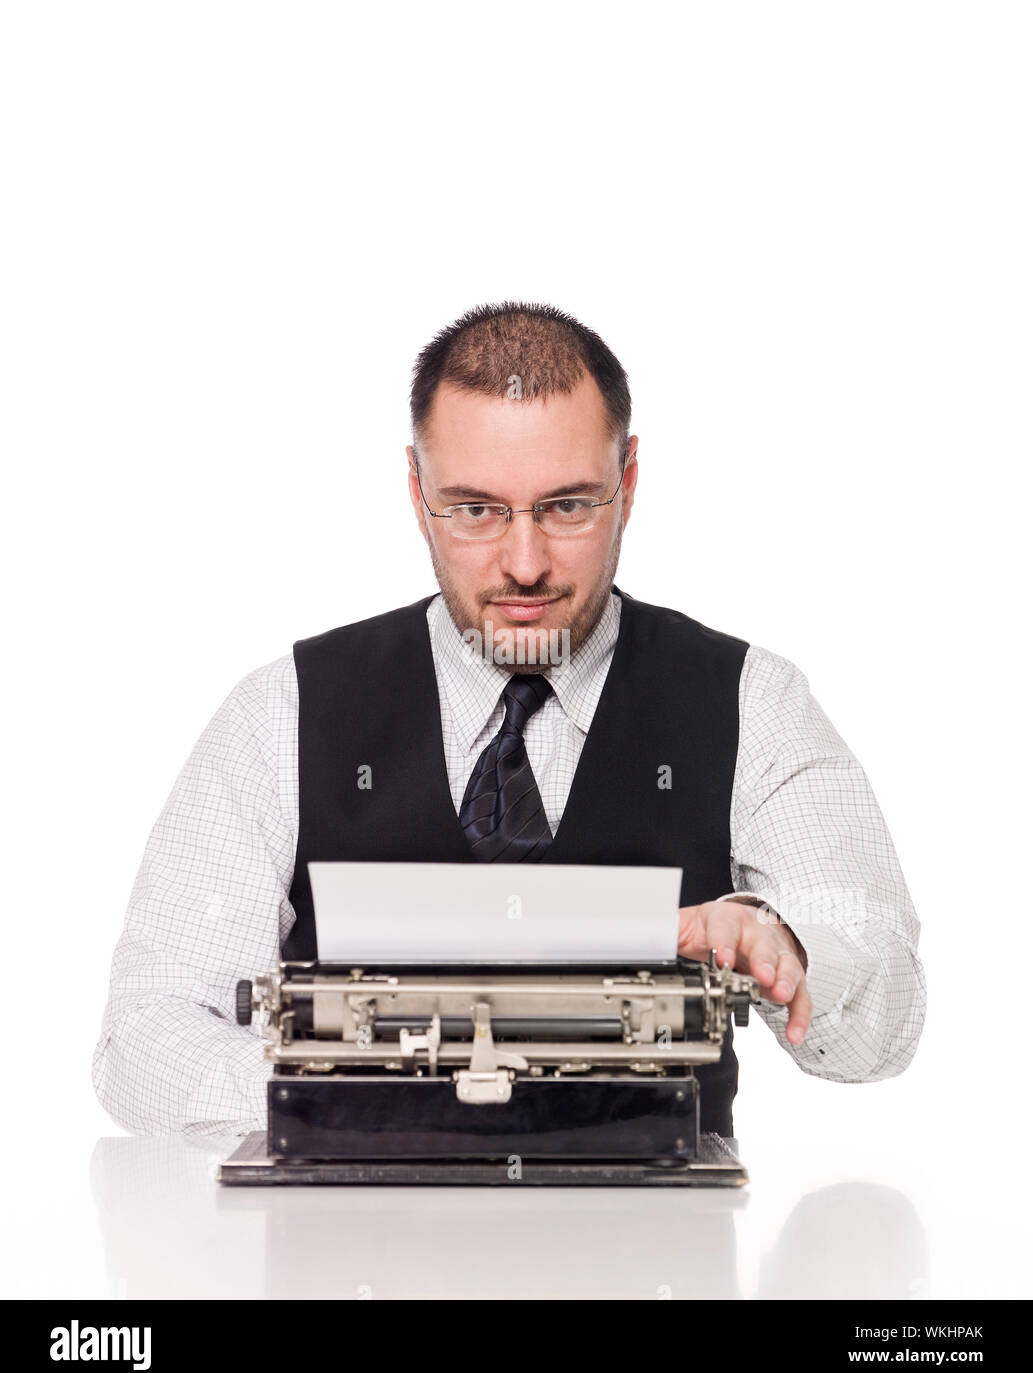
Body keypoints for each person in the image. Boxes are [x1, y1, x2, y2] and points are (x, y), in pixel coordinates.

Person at [93, 301, 926, 1139]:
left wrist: (787, 948)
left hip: (654, 1258)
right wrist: (359, 1101)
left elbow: (885, 1024)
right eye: (475, 509)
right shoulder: (283, 711)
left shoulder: (751, 700)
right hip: (345, 1257)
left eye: (566, 507)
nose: (523, 565)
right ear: (417, 493)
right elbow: (142, 1039)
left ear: (627, 484)